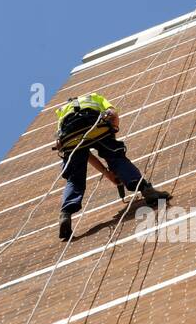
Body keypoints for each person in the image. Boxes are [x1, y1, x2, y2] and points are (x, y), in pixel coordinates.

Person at [53, 92, 171, 240]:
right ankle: (146, 190)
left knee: (75, 178)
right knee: (117, 158)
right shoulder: (95, 97)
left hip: (71, 139)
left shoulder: (63, 112)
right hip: (96, 126)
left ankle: (66, 214)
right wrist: (112, 134)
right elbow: (112, 113)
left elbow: (81, 151)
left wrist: (107, 173)